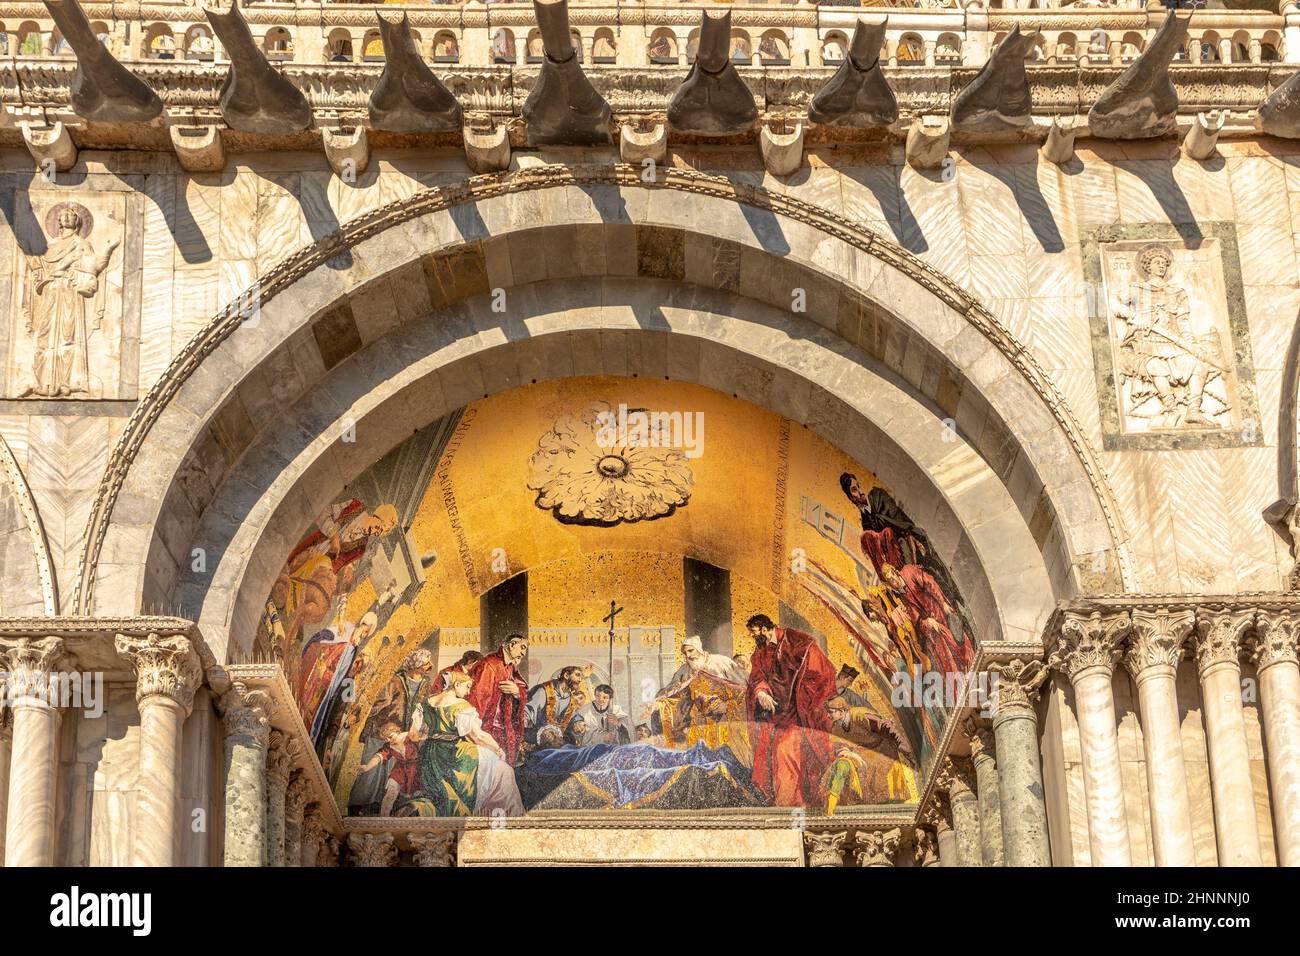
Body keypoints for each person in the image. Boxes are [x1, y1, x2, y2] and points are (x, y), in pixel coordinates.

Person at [745, 614, 837, 807]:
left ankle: (790, 804)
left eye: (754, 633)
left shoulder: (797, 641)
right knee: (767, 752)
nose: (754, 638)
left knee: (786, 750)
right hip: (777, 714)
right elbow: (757, 676)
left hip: (802, 711)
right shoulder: (761, 652)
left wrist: (800, 695)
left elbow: (819, 672)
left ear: (764, 628)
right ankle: (787, 802)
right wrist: (762, 692)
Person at [416, 671, 523, 817]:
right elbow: (478, 736)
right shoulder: (460, 705)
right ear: (457, 684)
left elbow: (414, 735)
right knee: (505, 771)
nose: (467, 692)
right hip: (456, 755)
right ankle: (510, 817)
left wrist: (435, 738)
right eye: (467, 687)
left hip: (430, 757)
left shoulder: (424, 704)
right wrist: (498, 749)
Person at [298, 611, 376, 747]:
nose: (363, 636)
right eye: (364, 632)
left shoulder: (350, 682)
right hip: (317, 685)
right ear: (361, 625)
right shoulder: (344, 634)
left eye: (360, 664)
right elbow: (324, 645)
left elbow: (343, 707)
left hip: (325, 702)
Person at [465, 634, 529, 764]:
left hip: (503, 727)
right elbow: (477, 701)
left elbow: (521, 688)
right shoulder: (489, 665)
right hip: (488, 729)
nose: (523, 653)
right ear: (511, 645)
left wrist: (517, 691)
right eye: (522, 647)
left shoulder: (510, 666)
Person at [355, 721, 421, 816]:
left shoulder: (410, 736)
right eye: (386, 739)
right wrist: (366, 767)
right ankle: (383, 818)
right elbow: (379, 756)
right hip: (399, 770)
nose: (389, 740)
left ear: (397, 731)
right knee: (390, 793)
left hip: (415, 769)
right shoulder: (389, 746)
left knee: (415, 797)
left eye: (390, 736)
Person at [525, 665, 586, 741]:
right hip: (539, 738)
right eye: (577, 675)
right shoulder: (543, 690)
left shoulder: (570, 698)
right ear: (566, 675)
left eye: (581, 677)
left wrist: (578, 722)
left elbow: (572, 716)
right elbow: (526, 714)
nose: (580, 680)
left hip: (558, 739)